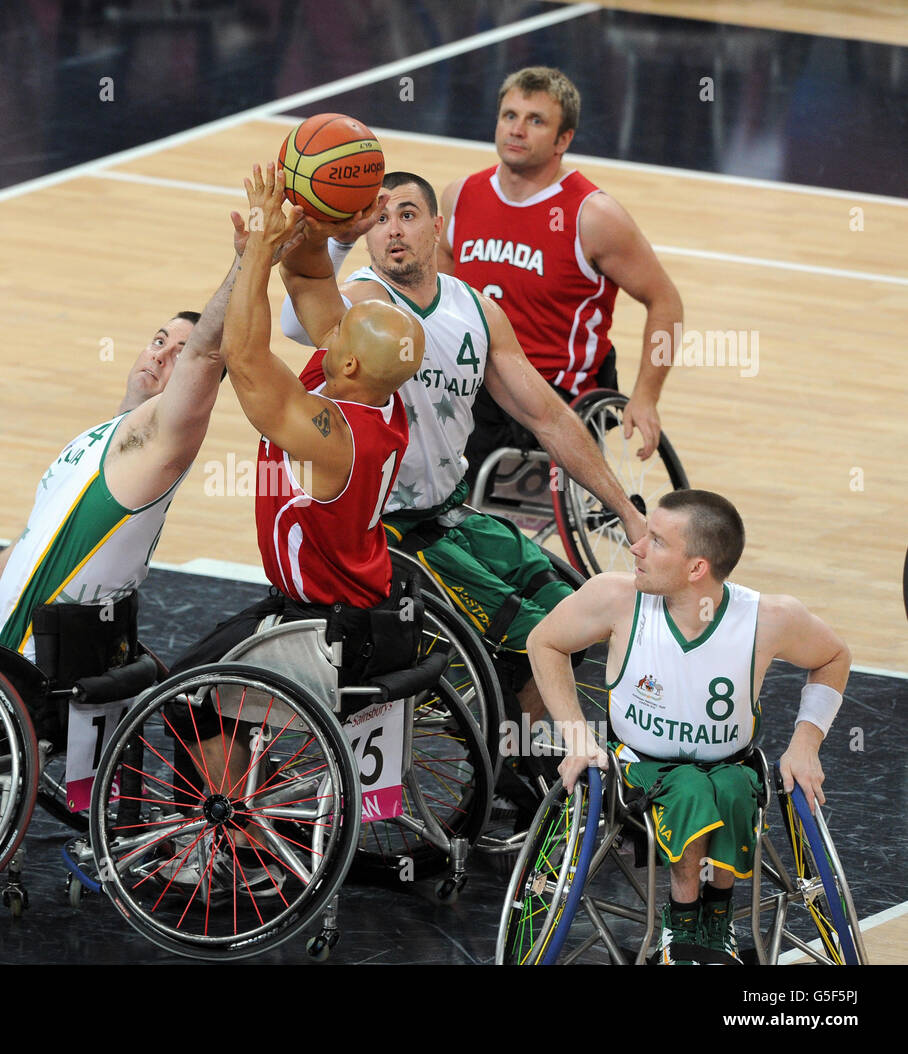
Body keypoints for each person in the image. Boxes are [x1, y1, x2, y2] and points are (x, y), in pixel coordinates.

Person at [0, 215, 305, 853]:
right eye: (157, 339)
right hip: (35, 648)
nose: (164, 353)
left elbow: (210, 350)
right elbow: (26, 548)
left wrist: (246, 262)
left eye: (180, 351)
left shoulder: (158, 444)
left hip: (31, 675)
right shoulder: (97, 442)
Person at [279, 170, 645, 726]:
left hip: (452, 514)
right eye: (379, 219)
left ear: (438, 227)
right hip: (387, 527)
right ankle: (511, 770)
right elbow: (295, 322)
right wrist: (337, 237)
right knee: (535, 637)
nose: (393, 230)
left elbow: (547, 416)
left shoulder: (477, 311)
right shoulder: (363, 304)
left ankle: (521, 764)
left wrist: (627, 514)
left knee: (575, 616)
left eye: (407, 214)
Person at [162, 163, 424, 890]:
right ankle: (256, 798)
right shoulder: (377, 392)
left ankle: (233, 845)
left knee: (185, 694)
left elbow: (242, 358)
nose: (330, 330)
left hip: (321, 625)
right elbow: (312, 282)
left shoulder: (330, 428)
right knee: (216, 676)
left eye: (339, 334)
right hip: (361, 603)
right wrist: (307, 222)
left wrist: (253, 252)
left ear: (345, 360)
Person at [526, 489, 850, 964]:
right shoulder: (616, 597)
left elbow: (833, 656)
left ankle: (717, 919)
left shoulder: (768, 617)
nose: (634, 546)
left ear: (697, 568)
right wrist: (577, 736)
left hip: (731, 766)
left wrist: (806, 744)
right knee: (691, 790)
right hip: (638, 770)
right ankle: (681, 926)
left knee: (735, 787)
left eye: (655, 541)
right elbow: (545, 642)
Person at [437, 66, 684, 482]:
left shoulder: (594, 215)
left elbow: (666, 302)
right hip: (472, 385)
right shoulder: (460, 196)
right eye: (509, 115)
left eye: (536, 121)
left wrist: (645, 396)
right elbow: (438, 298)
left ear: (563, 139)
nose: (517, 129)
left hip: (548, 397)